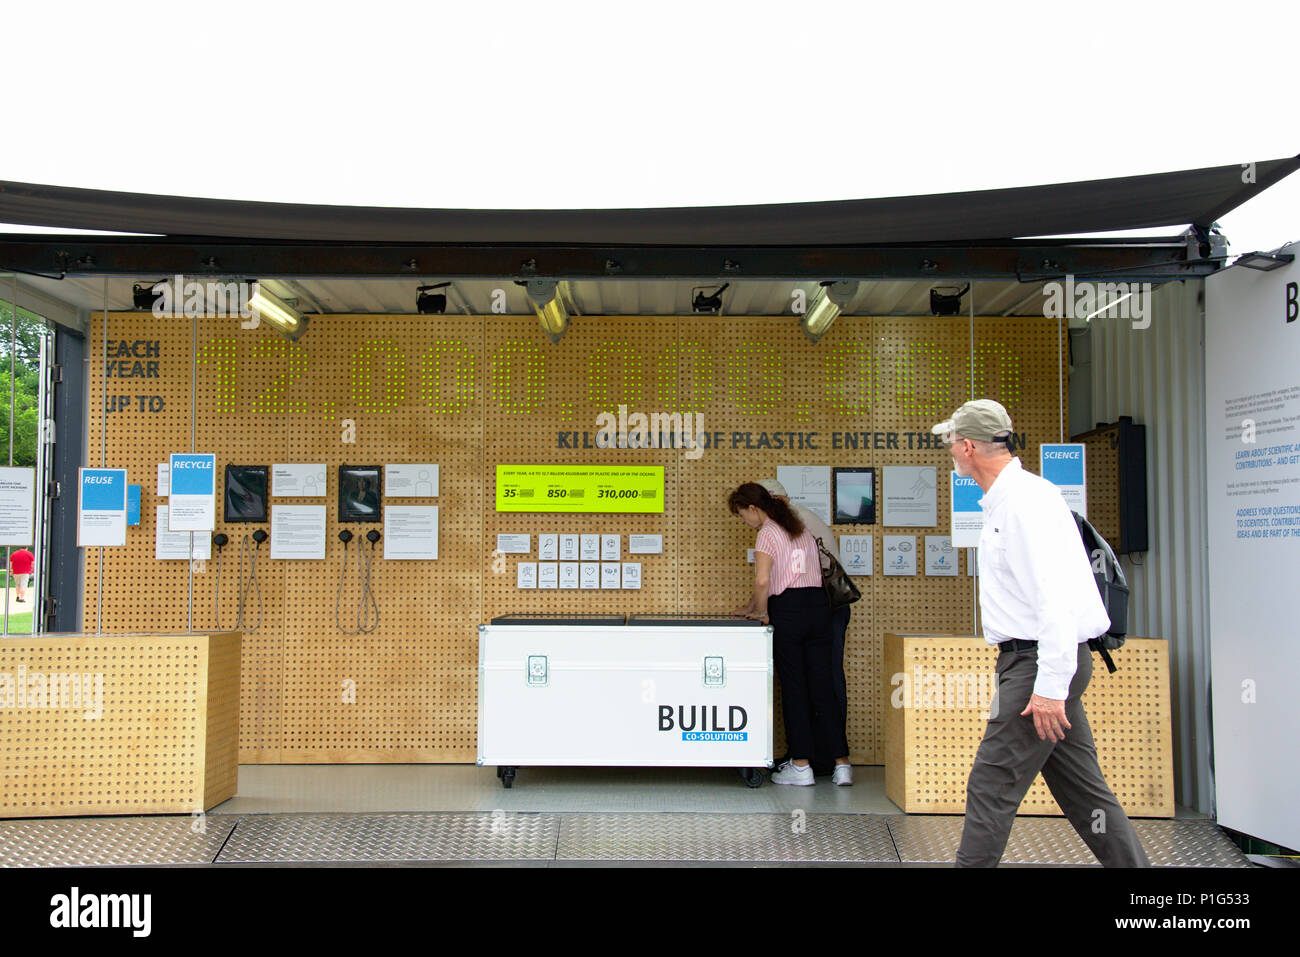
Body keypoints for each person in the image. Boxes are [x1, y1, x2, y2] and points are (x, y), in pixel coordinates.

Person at [932, 399, 1149, 867]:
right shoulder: (1015, 499)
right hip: (1040, 662)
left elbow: (1055, 602)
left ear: (968, 446)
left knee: (991, 785)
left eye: (952, 442)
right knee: (1083, 791)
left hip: (1038, 666)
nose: (950, 451)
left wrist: (1049, 689)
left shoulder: (1024, 505)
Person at [728, 482, 850, 785]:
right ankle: (842, 764)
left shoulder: (767, 533)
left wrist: (757, 610)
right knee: (823, 688)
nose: (745, 521)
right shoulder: (800, 529)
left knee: (794, 688)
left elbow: (762, 582)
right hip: (818, 609)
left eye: (743, 515)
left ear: (754, 508)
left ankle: (800, 765)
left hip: (789, 610)